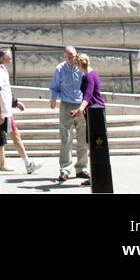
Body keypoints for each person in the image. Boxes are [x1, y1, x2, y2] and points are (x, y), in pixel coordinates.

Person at [0, 49, 40, 174]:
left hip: (2, 110)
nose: (11, 59)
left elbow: (4, 91)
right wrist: (2, 112)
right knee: (16, 136)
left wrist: (15, 103)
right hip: (4, 112)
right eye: (9, 57)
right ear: (3, 58)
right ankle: (28, 163)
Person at [49, 45, 88, 182]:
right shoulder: (60, 69)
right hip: (66, 105)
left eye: (74, 57)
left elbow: (88, 86)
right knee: (66, 138)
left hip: (80, 105)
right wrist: (53, 99)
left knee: (82, 138)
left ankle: (81, 167)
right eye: (69, 57)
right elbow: (54, 87)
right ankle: (65, 168)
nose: (72, 59)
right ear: (65, 57)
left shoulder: (81, 68)